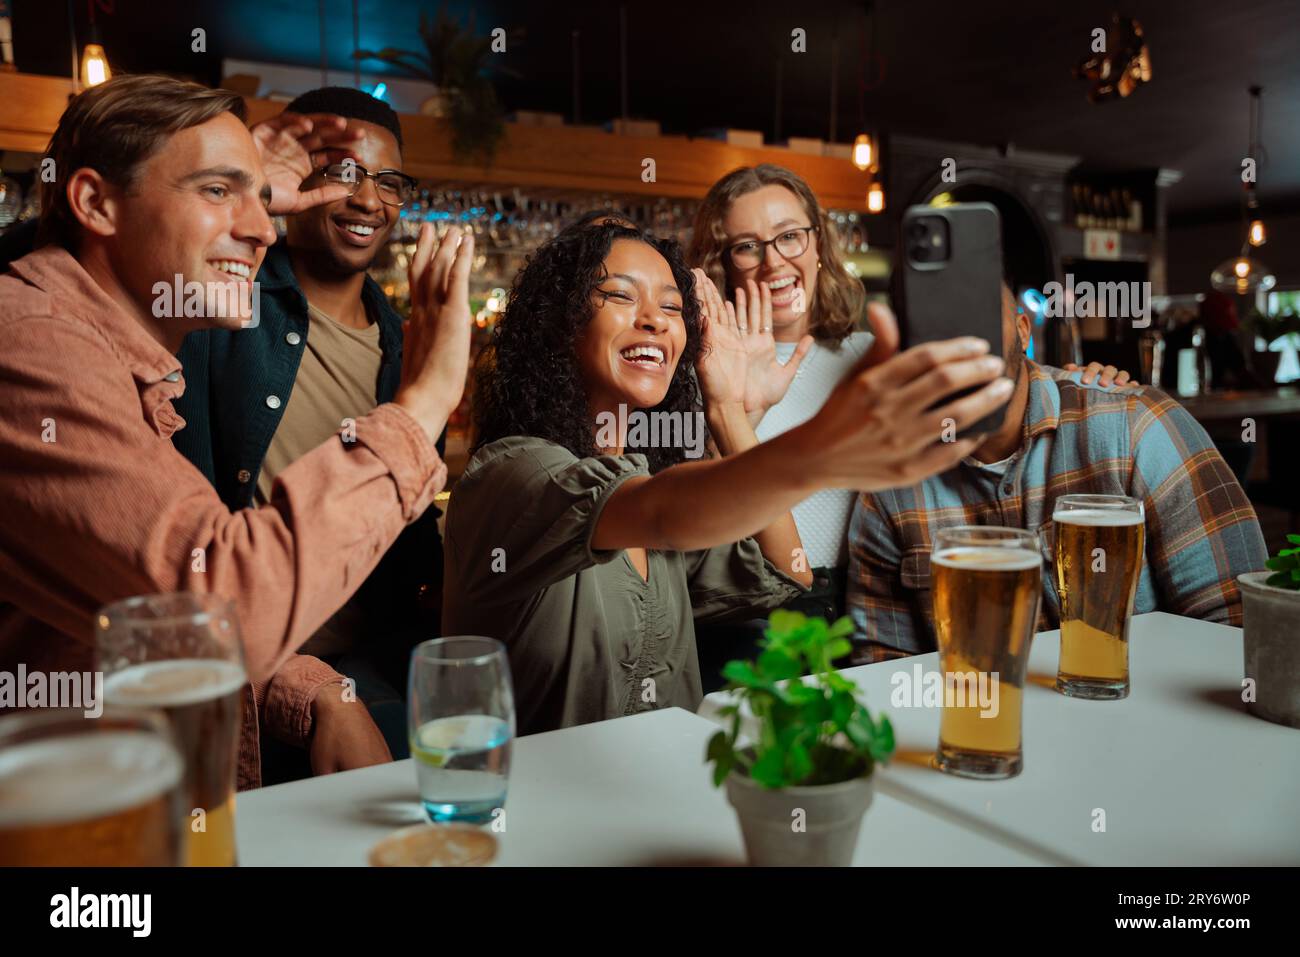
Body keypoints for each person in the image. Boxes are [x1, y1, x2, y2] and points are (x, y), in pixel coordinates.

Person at [0, 74, 471, 789]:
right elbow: (219, 607)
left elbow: (156, 614)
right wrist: (425, 402)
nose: (261, 228)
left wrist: (311, 685)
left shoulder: (114, 350)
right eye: (218, 191)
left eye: (263, 200)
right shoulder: (34, 341)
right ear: (96, 202)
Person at [442, 221, 1016, 734]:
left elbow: (785, 568)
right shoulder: (513, 472)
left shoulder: (654, 477)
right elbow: (662, 514)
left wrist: (727, 409)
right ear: (558, 324)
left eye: (672, 308)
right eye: (619, 295)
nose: (653, 320)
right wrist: (828, 446)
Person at [686, 164, 1125, 682]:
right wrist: (736, 412)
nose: (774, 260)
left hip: (872, 603)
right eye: (747, 246)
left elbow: (993, 387)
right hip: (751, 621)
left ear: (818, 244)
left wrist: (1074, 380)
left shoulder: (876, 357)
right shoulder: (700, 372)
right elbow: (691, 520)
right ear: (723, 262)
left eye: (789, 236)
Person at [173, 87, 437, 780]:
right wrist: (241, 191)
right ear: (297, 182)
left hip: (378, 661)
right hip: (249, 668)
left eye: (388, 182)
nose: (368, 200)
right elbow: (84, 270)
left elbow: (409, 531)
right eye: (344, 172)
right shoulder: (226, 301)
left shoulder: (403, 346)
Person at [847, 281, 1268, 660]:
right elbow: (884, 668)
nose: (962, 349)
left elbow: (1237, 628)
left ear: (1023, 332)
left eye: (978, 323)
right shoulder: (892, 481)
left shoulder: (1134, 427)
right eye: (939, 332)